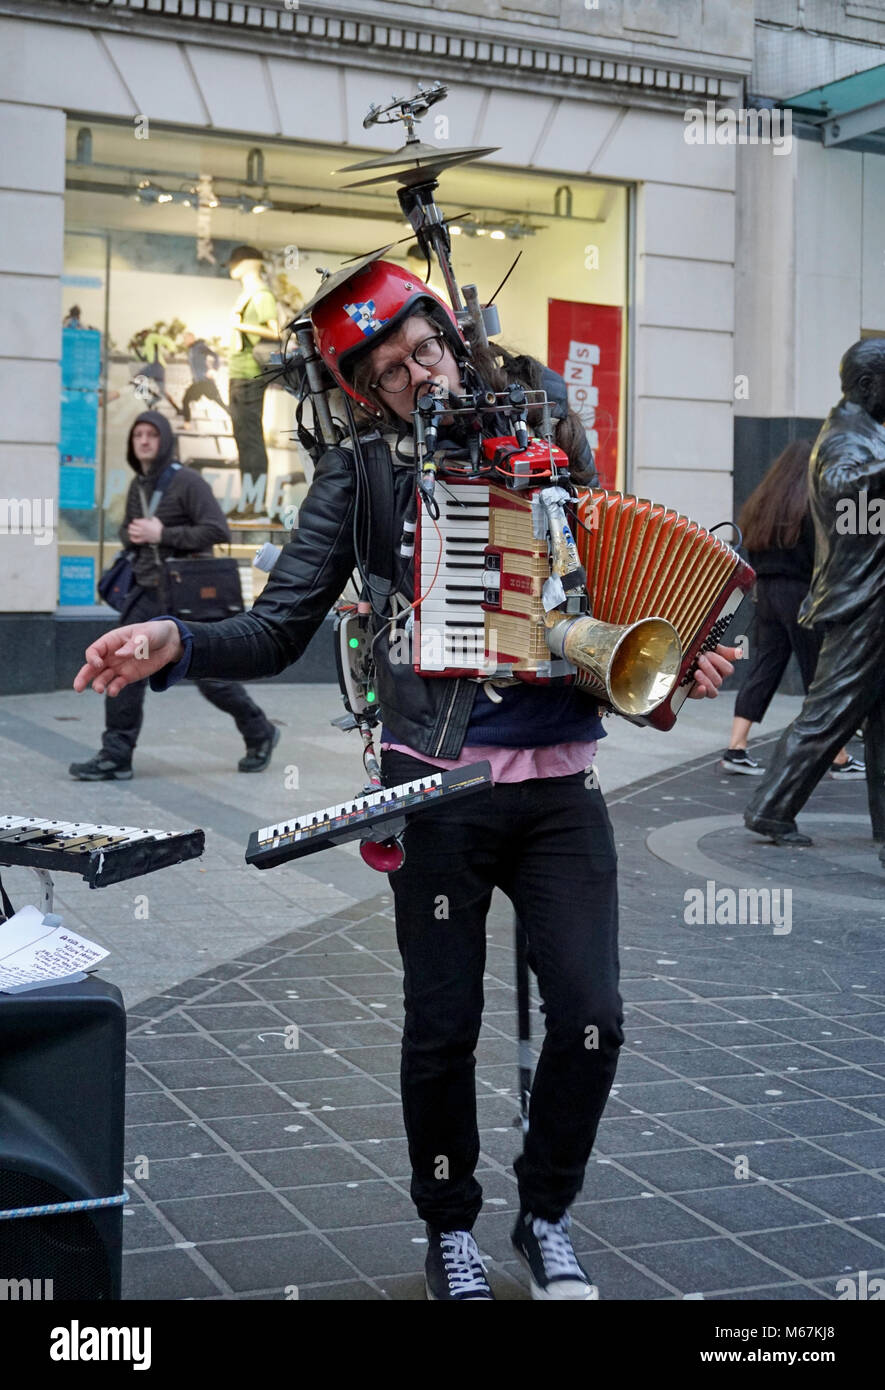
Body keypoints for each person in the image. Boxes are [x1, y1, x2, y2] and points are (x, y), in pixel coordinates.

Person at [73, 264, 734, 1299]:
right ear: (363, 394)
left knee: (596, 1015)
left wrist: (673, 666)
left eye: (426, 348)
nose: (419, 374)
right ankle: (450, 1228)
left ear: (453, 340)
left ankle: (547, 1212)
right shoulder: (366, 476)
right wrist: (177, 639)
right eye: (391, 369)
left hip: (563, 788)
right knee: (442, 1025)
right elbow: (282, 622)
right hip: (439, 794)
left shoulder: (551, 441)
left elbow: (607, 610)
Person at [69, 409, 279, 780]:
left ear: (165, 440)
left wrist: (162, 534)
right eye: (138, 435)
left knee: (210, 678)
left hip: (186, 598)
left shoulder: (187, 482)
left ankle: (260, 730)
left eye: (152, 434)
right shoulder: (139, 485)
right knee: (124, 671)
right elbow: (133, 535)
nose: (145, 441)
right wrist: (134, 535)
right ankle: (115, 755)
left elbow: (217, 531)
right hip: (146, 592)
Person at [745, 338, 885, 847]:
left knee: (872, 713)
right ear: (869, 386)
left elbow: (866, 517)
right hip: (863, 598)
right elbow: (844, 489)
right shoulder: (847, 437)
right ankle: (770, 807)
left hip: (870, 590)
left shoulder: (868, 431)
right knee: (830, 711)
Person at [721, 440, 863, 780]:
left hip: (766, 593)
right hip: (801, 595)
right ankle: (838, 756)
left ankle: (736, 747)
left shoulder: (764, 500)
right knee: (821, 675)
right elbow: (824, 556)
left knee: (765, 668)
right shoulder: (811, 502)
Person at [226, 244, 279, 480]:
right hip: (239, 374)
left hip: (249, 373)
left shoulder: (261, 295)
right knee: (243, 439)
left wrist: (239, 325)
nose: (231, 267)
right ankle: (250, 502)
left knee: (250, 438)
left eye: (235, 261)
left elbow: (276, 332)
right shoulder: (248, 295)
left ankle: (255, 504)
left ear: (248, 263)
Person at [178, 331, 230, 425]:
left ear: (191, 338)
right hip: (198, 383)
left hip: (206, 382)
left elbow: (216, 355)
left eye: (186, 339)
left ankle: (236, 418)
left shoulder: (200, 346)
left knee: (220, 402)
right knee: (185, 400)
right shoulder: (191, 350)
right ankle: (187, 424)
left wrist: (214, 369)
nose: (184, 341)